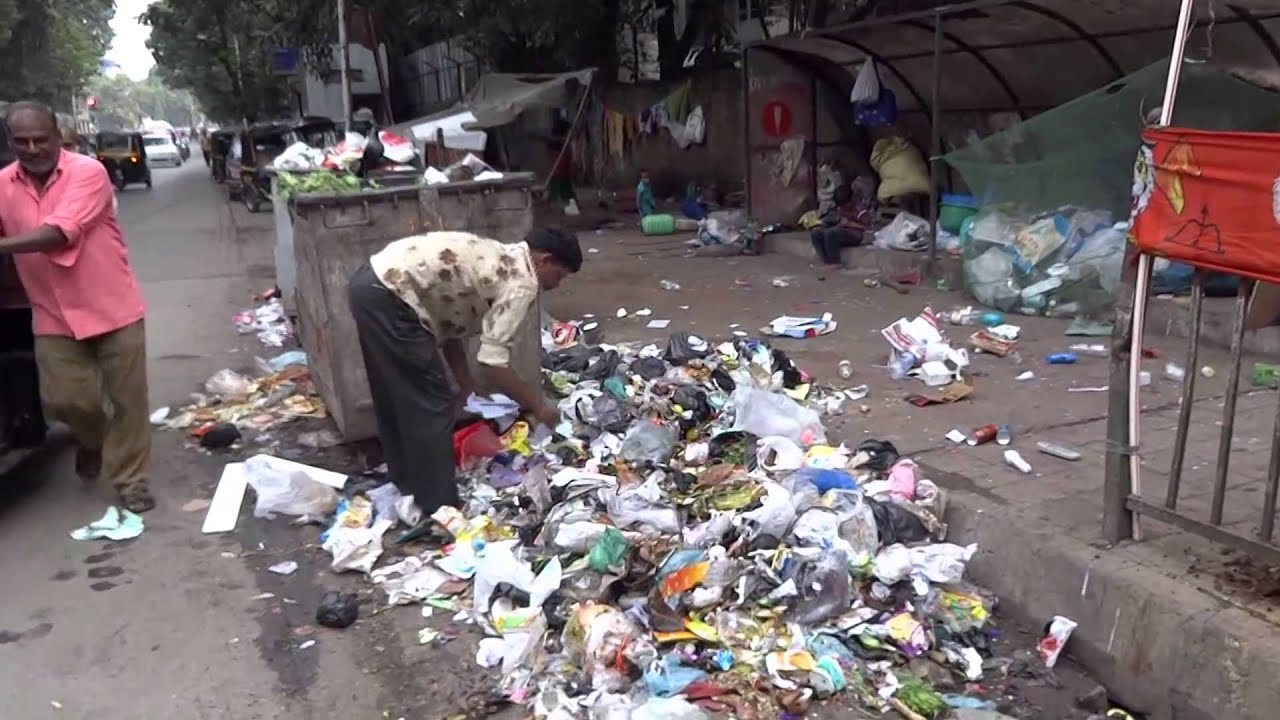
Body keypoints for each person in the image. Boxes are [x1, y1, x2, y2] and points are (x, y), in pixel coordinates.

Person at [347, 228, 583, 515]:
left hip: (369, 284)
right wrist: (538, 407)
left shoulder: (501, 255)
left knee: (392, 392)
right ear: (545, 261)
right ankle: (440, 507)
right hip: (394, 298)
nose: (556, 285)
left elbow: (447, 326)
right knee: (431, 403)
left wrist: (466, 384)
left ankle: (406, 481)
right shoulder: (522, 282)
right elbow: (493, 362)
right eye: (560, 275)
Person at [0, 101, 153, 512]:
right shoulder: (2, 185)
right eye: (21, 141)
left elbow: (59, 232)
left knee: (128, 402)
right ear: (10, 142)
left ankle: (131, 479)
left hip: (111, 306)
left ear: (58, 137)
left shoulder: (88, 172)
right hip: (51, 314)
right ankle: (90, 440)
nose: (32, 148)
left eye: (40, 139)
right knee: (67, 401)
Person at [810, 184, 874, 268]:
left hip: (855, 235)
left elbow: (869, 228)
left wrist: (849, 223)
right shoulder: (840, 207)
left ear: (850, 200)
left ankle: (836, 263)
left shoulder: (860, 208)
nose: (842, 207)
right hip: (841, 232)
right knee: (816, 233)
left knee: (831, 233)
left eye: (844, 204)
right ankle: (826, 261)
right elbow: (836, 219)